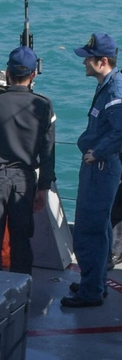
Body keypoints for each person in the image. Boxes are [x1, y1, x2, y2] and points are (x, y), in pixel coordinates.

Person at [0, 46, 56, 276]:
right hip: (25, 182)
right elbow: (48, 152)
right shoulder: (43, 106)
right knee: (22, 242)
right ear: (33, 75)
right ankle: (22, 294)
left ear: (7, 72)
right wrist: (43, 187)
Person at [61, 33, 122, 309]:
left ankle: (90, 293)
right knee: (102, 228)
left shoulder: (115, 90)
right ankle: (94, 282)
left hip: (100, 167)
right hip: (100, 167)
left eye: (89, 57)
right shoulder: (107, 86)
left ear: (103, 61)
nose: (84, 61)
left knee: (89, 229)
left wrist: (97, 152)